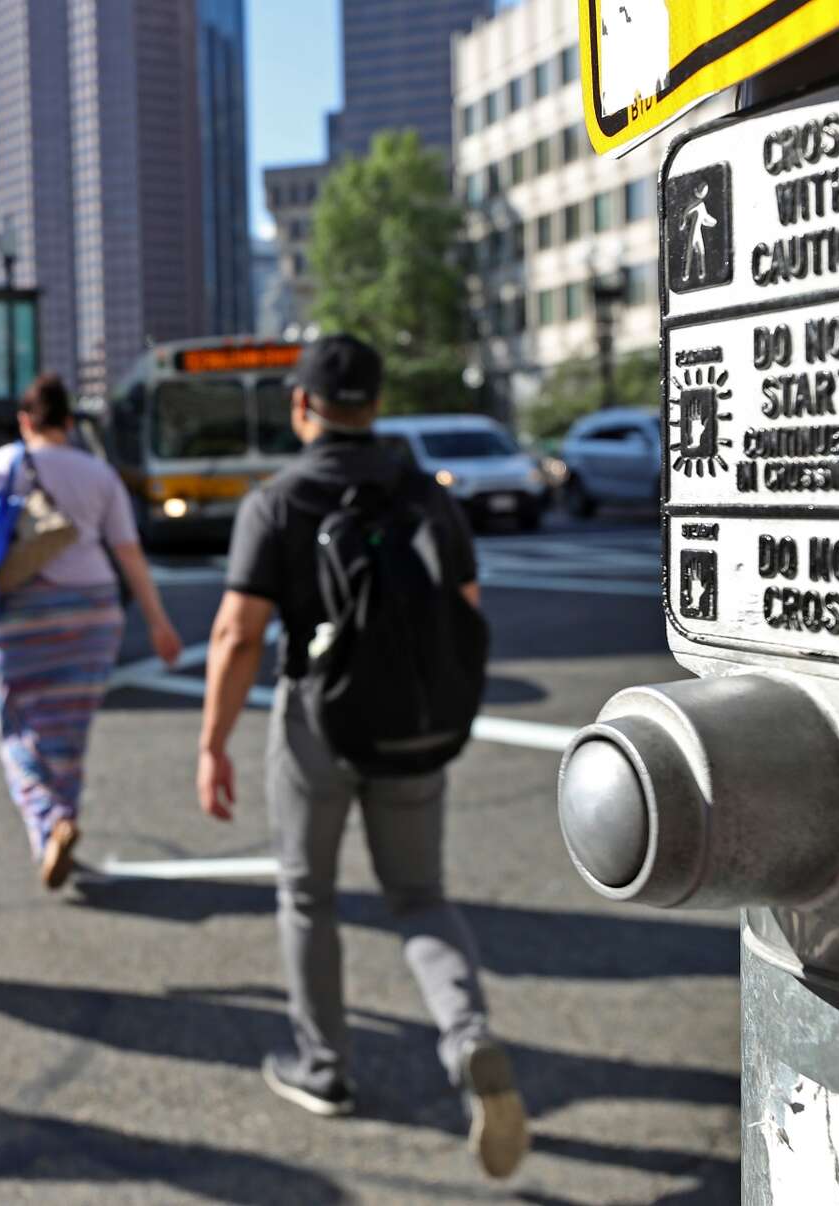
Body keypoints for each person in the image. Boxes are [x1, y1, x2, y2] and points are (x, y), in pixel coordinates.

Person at [195, 334, 528, 1178]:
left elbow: (236, 635)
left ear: (302, 406)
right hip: (414, 721)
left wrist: (213, 743)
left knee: (308, 897)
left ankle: (325, 1068)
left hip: (317, 724)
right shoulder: (423, 491)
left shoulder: (278, 500)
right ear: (376, 404)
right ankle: (469, 1039)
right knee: (420, 897)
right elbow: (465, 608)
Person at [0, 374, 182, 889]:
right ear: (68, 422)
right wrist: (157, 620)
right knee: (68, 735)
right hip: (94, 613)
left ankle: (50, 822)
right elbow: (128, 550)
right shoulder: (98, 472)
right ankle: (61, 819)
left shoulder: (5, 464)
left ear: (25, 420)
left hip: (24, 611)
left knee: (16, 726)